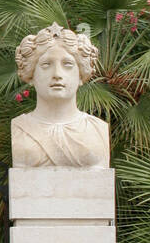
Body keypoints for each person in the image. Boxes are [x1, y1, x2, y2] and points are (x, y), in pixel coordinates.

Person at [11, 23, 109, 168]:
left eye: (67, 64)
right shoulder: (20, 127)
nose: (57, 74)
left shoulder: (97, 129)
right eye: (46, 64)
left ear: (81, 74)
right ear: (31, 74)